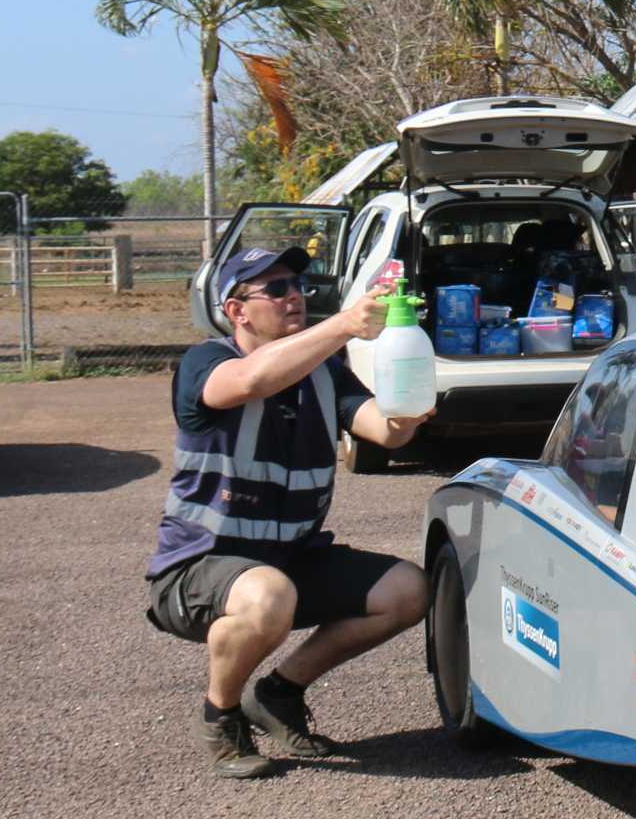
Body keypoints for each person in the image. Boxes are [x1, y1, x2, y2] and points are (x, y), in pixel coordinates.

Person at [144, 247, 434, 780]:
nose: (293, 295)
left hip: (291, 561)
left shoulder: (324, 371)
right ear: (238, 311)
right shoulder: (204, 363)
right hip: (200, 567)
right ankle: (222, 713)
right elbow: (250, 382)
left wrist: (408, 405)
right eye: (274, 289)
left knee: (408, 591)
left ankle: (278, 693)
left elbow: (382, 429)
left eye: (296, 284)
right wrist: (346, 324)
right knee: (268, 594)